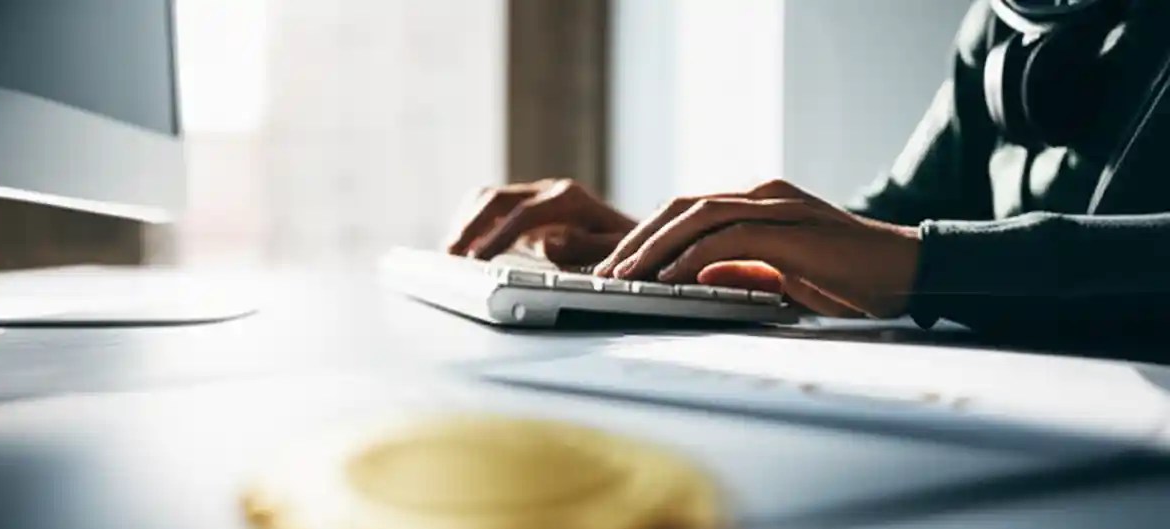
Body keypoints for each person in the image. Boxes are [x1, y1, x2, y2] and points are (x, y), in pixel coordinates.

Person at [445, 0, 1170, 335]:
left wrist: (926, 265)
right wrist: (681, 249)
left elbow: (907, 256)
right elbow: (885, 229)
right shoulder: (1008, 25)